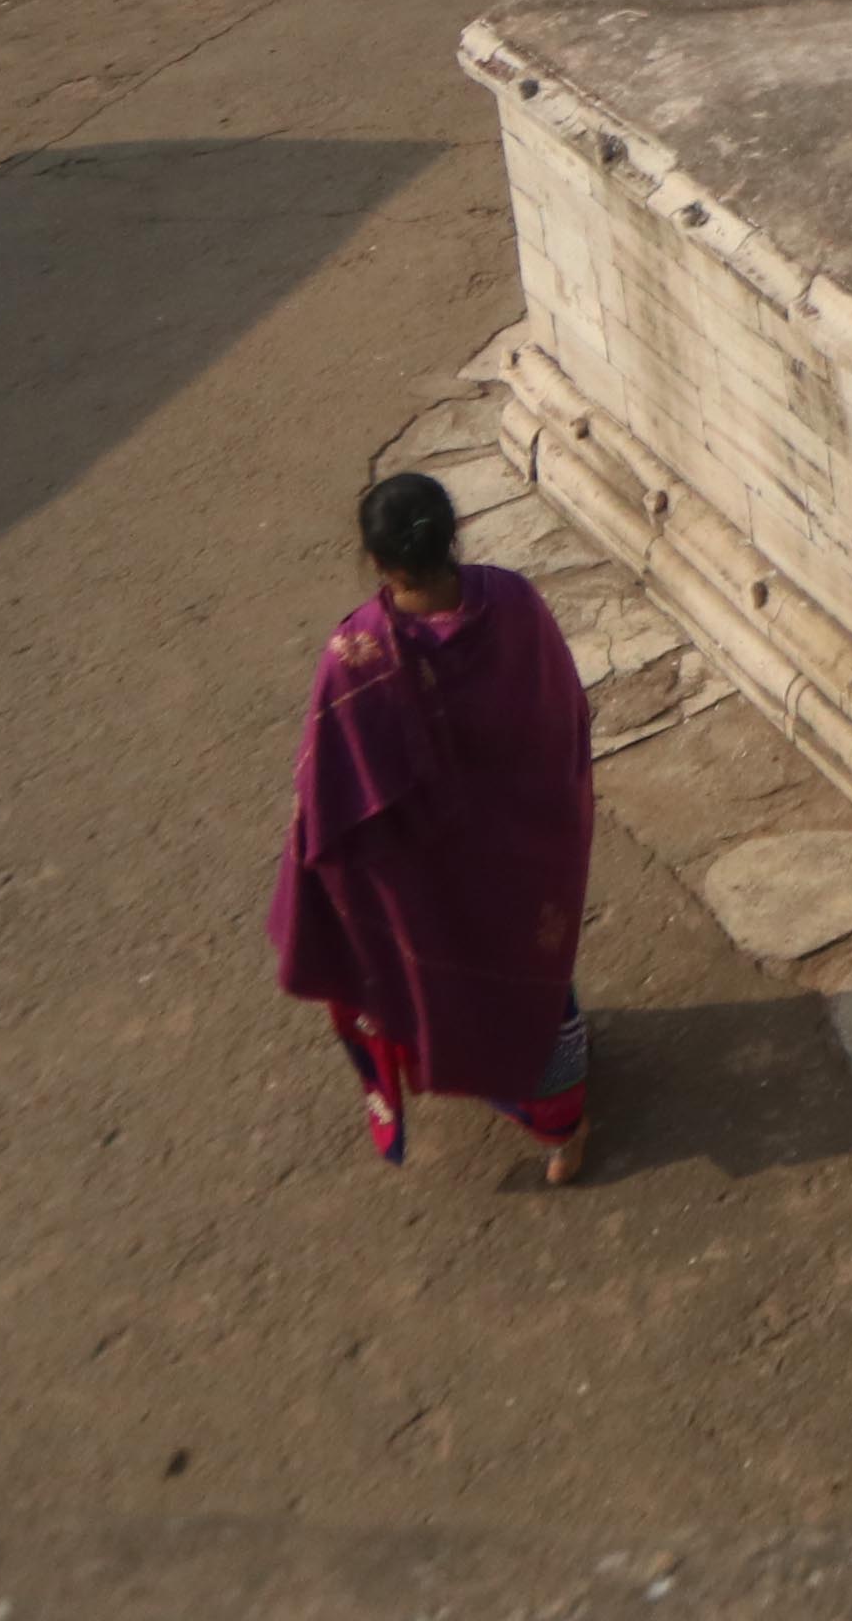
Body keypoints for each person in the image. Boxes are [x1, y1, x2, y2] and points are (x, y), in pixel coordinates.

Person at [270, 470, 597, 1178]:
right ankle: (562, 1130)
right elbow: (563, 709)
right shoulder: (512, 599)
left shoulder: (355, 656)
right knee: (535, 977)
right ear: (454, 534)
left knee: (456, 987)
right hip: (525, 853)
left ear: (377, 560)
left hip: (432, 879)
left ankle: (506, 1085)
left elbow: (328, 794)